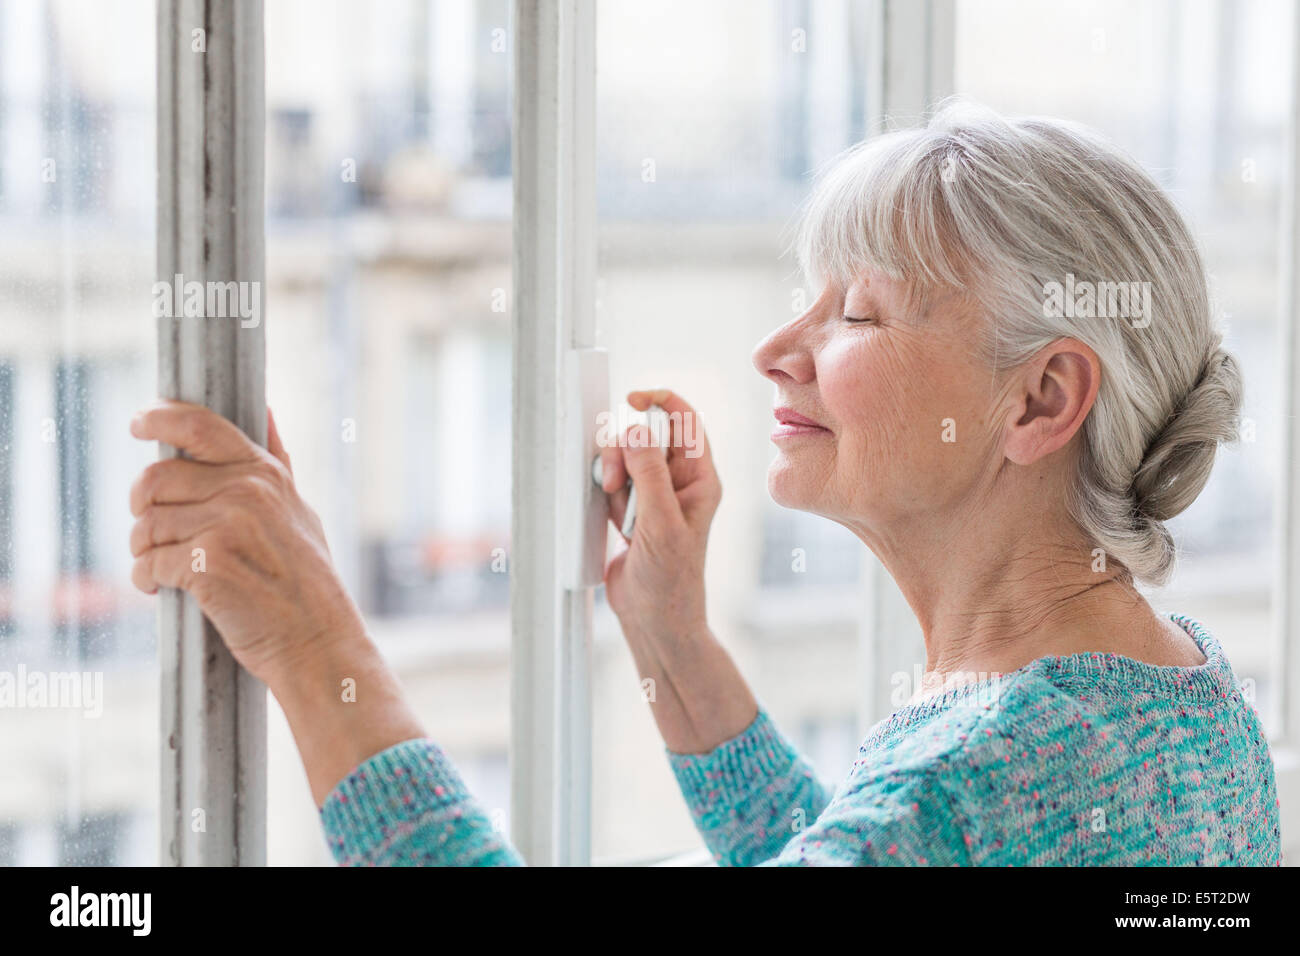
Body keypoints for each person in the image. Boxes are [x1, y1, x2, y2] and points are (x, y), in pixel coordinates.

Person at [128, 101, 1281, 865]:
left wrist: (319, 646)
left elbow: (903, 833)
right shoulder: (1184, 698)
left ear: (1038, 401)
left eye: (855, 312)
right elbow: (848, 844)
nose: (777, 347)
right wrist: (673, 640)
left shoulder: (973, 776)